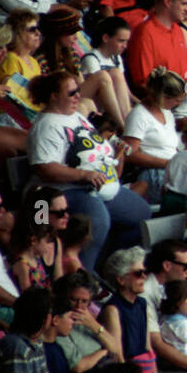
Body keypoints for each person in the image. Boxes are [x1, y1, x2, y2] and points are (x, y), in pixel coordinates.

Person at [27, 72, 150, 271]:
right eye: (71, 93)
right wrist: (84, 175)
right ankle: (83, 274)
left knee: (140, 214)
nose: (78, 96)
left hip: (98, 185)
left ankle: (112, 267)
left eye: (78, 90)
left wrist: (116, 152)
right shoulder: (46, 125)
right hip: (64, 191)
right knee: (98, 221)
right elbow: (44, 168)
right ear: (53, 96)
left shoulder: (75, 116)